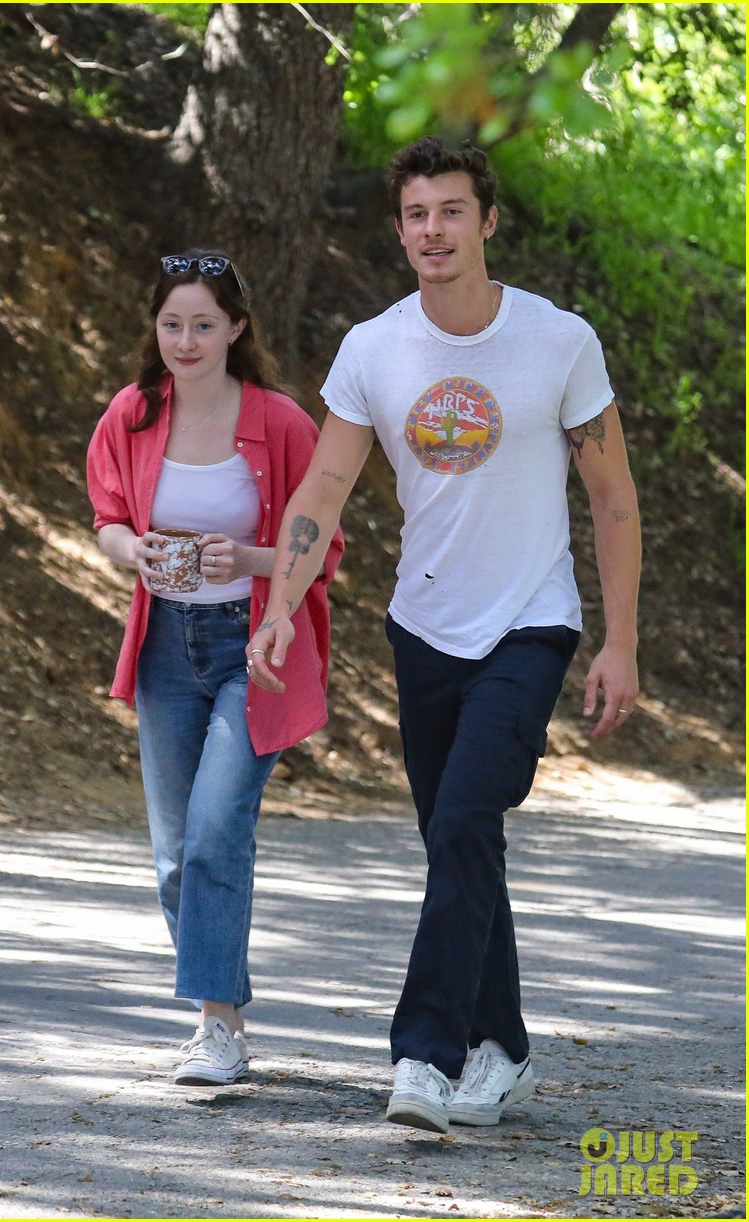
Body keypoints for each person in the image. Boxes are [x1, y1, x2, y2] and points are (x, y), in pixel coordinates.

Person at [246, 137, 641, 1134]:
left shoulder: (558, 342)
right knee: (458, 841)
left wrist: (618, 641)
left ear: (487, 221)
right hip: (423, 626)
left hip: (529, 621)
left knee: (464, 822)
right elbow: (325, 485)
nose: (433, 229)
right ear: (400, 229)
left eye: (451, 211)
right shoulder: (376, 348)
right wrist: (284, 601)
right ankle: (500, 1049)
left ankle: (422, 1053)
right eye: (417, 214)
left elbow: (612, 499)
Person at [86, 248, 343, 1088]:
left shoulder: (280, 423)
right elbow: (108, 519)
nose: (185, 340)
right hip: (165, 645)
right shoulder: (131, 413)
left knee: (215, 832)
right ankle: (219, 1007)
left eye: (203, 324)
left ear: (236, 329)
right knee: (172, 853)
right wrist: (138, 551)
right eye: (171, 324)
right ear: (154, 329)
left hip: (254, 646)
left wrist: (246, 557)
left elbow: (323, 550)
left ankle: (217, 1027)